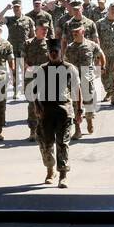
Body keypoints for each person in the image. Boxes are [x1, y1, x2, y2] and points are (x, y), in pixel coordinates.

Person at [33, 44, 79, 188]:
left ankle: (63, 175)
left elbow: (77, 90)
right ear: (48, 53)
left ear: (61, 52)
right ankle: (50, 170)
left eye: (56, 51)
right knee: (46, 143)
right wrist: (37, 106)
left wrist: (80, 110)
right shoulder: (42, 69)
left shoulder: (69, 68)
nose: (53, 54)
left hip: (64, 111)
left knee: (62, 143)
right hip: (46, 112)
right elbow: (36, 90)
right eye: (51, 52)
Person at [63, 22, 105, 138]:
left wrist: (102, 66)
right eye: (73, 32)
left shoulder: (91, 45)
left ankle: (90, 120)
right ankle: (77, 129)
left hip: (87, 78)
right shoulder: (70, 47)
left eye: (77, 32)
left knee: (88, 102)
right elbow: (65, 62)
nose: (75, 34)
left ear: (83, 32)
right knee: (76, 104)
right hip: (74, 80)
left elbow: (101, 55)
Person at [0, 0, 35, 98]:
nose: (16, 9)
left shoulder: (28, 20)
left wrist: (31, 47)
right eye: (14, 7)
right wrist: (6, 8)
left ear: (21, 8)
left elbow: (32, 35)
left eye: (18, 7)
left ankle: (26, 90)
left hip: (24, 49)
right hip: (13, 49)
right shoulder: (10, 19)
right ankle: (16, 90)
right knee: (14, 71)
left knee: (26, 71)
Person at [21, 22, 51, 140]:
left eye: (47, 29)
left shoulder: (50, 43)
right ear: (36, 29)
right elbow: (22, 59)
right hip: (31, 78)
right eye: (43, 29)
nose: (45, 31)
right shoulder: (28, 43)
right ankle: (33, 131)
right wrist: (27, 67)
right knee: (33, 104)